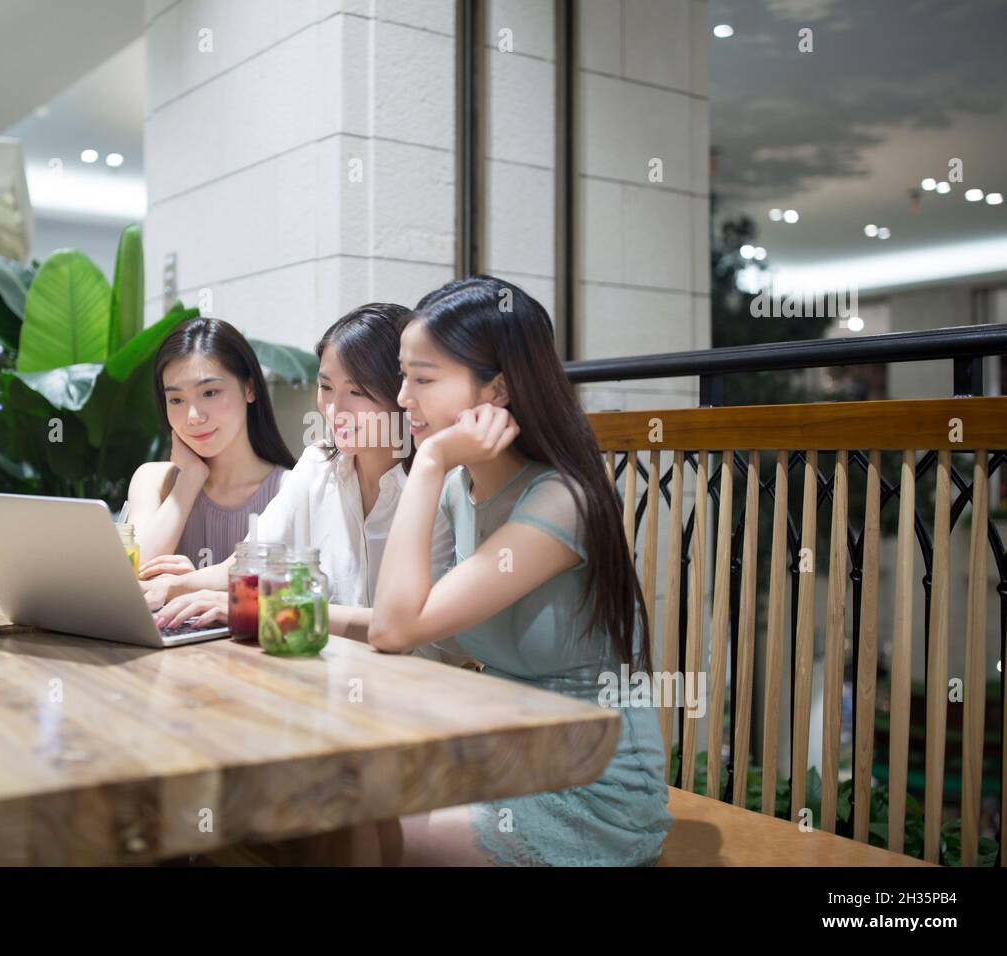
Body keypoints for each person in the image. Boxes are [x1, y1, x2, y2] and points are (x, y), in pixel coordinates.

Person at [368, 275, 672, 866]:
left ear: (498, 388)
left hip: (589, 782)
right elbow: (415, 624)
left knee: (383, 835)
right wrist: (282, 614)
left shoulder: (561, 500)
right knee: (346, 808)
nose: (403, 397)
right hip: (500, 749)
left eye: (423, 379)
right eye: (404, 376)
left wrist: (427, 462)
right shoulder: (465, 487)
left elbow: (394, 629)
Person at [144, 303, 465, 662]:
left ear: (400, 392)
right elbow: (251, 559)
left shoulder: (438, 482)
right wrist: (171, 586)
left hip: (419, 693)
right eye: (326, 387)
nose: (334, 409)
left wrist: (257, 607)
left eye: (356, 392)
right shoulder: (318, 465)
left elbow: (410, 631)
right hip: (326, 684)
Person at [127, 317, 295, 567]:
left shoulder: (289, 489)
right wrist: (191, 476)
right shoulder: (153, 480)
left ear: (249, 389)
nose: (193, 417)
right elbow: (134, 572)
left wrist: (192, 584)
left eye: (209, 393)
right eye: (176, 400)